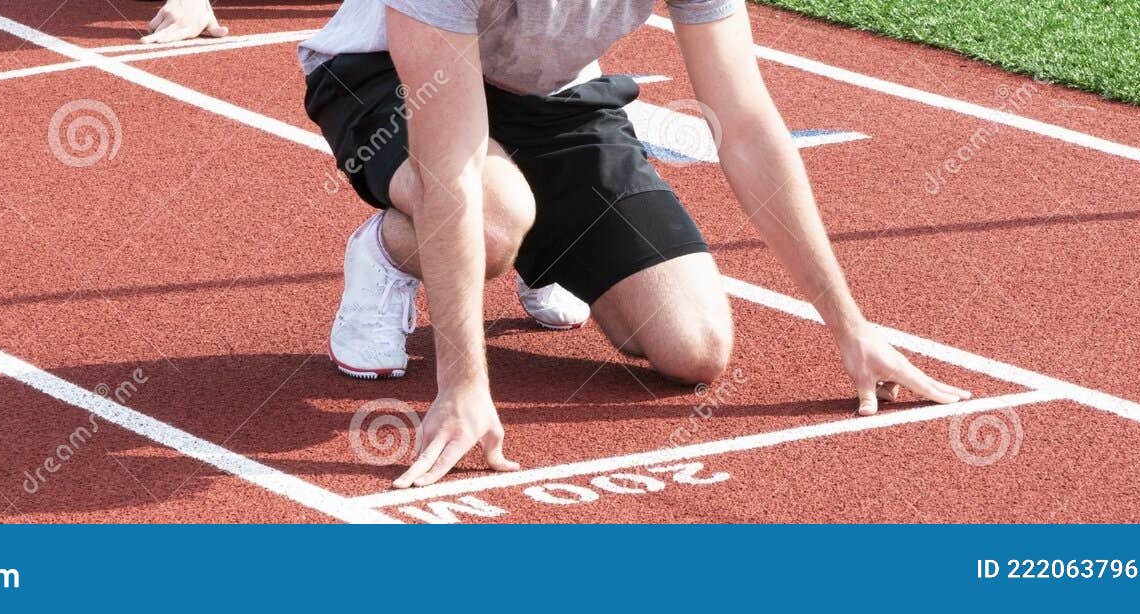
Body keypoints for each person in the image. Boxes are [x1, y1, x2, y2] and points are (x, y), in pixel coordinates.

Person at [149, 0, 973, 489]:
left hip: (553, 96)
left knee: (696, 350)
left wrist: (850, 327)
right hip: (390, 78)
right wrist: (463, 382)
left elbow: (749, 124)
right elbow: (452, 165)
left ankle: (544, 235)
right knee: (491, 214)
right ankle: (388, 252)